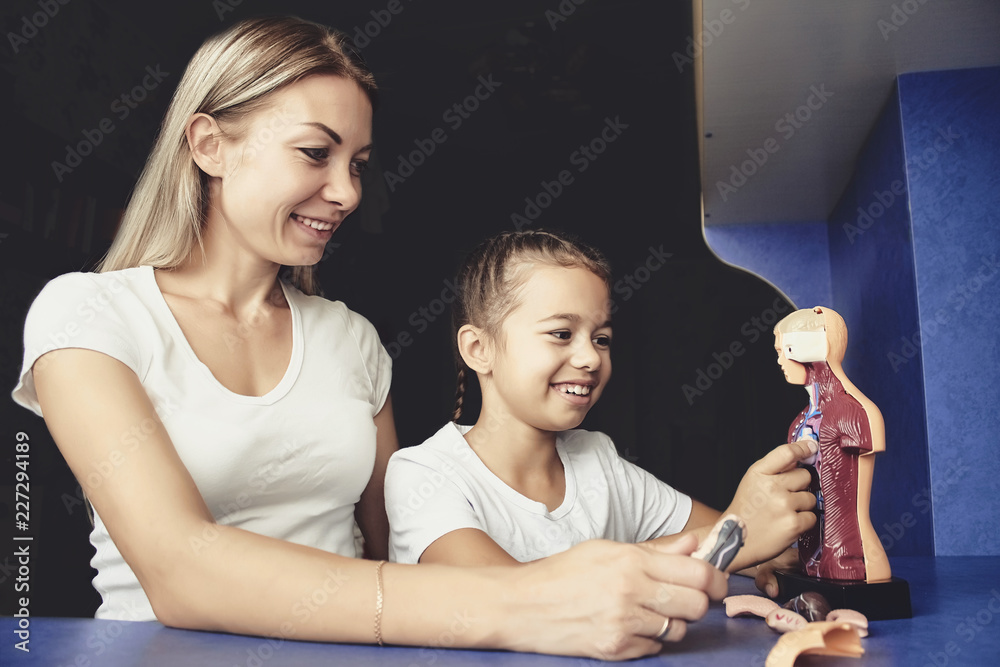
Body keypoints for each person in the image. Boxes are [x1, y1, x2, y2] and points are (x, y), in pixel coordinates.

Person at [11, 16, 733, 660]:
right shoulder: (87, 314)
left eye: (357, 163)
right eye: (315, 153)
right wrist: (524, 602)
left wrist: (654, 583)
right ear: (209, 145)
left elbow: (394, 550)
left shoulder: (353, 341)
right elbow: (180, 569)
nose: (349, 192)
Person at [385, 230, 818, 592]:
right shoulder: (422, 474)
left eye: (601, 338)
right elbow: (509, 593)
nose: (591, 359)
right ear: (479, 350)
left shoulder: (597, 460)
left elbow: (745, 536)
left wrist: (768, 550)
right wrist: (733, 537)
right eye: (561, 333)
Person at [774, 306, 890, 582]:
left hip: (848, 553)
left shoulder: (854, 410)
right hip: (810, 550)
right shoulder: (800, 421)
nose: (779, 361)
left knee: (839, 568)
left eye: (783, 350)